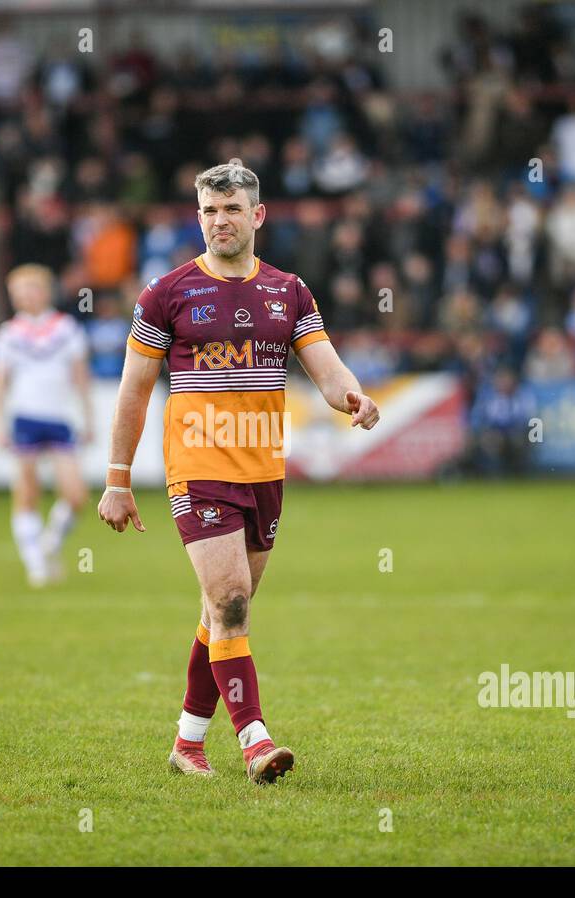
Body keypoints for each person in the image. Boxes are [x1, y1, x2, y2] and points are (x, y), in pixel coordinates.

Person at [96, 160, 380, 784]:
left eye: (230, 210)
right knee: (229, 602)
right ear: (197, 217)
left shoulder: (289, 290)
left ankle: (187, 743)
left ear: (258, 215)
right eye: (208, 211)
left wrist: (353, 396)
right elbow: (133, 391)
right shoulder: (165, 293)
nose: (218, 221)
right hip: (198, 467)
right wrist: (118, 479)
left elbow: (326, 368)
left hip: (263, 470)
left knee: (221, 611)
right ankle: (255, 741)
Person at [0, 265, 93, 587]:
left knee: (76, 495)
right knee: (27, 491)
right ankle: (35, 563)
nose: (24, 297)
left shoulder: (66, 329)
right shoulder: (7, 334)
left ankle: (50, 542)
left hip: (59, 417)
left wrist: (88, 417)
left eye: (30, 289)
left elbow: (80, 376)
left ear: (45, 291)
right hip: (25, 417)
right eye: (18, 292)